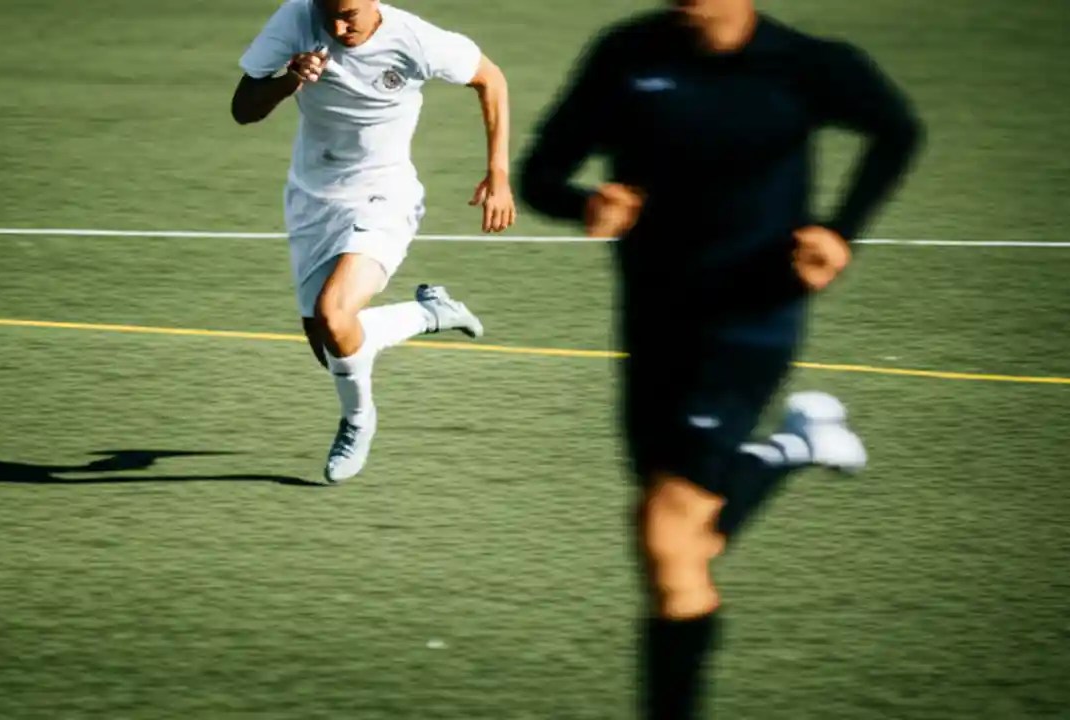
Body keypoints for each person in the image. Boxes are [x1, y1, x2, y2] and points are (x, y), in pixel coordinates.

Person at [517, 0, 923, 717]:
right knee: (678, 540)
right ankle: (792, 449)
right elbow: (541, 171)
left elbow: (896, 130)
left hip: (751, 318)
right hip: (654, 321)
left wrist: (841, 231)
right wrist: (584, 204)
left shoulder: (801, 64)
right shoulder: (629, 54)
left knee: (667, 535)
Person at [232, 0, 516, 483]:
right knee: (333, 348)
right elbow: (242, 110)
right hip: (311, 199)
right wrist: (289, 80)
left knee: (334, 314)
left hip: (384, 196)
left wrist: (498, 174)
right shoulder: (296, 19)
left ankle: (358, 422)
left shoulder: (415, 40)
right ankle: (429, 313)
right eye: (328, 14)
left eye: (349, 14)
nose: (337, 27)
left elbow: (491, 79)